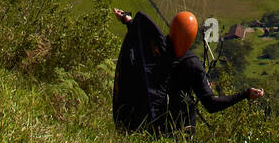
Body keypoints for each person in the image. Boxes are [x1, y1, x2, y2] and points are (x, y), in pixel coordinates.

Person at [113, 8, 263, 136]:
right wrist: (245, 94)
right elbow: (211, 104)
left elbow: (143, 40)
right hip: (181, 130)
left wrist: (127, 20)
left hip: (153, 125)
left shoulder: (160, 50)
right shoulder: (192, 65)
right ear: (191, 38)